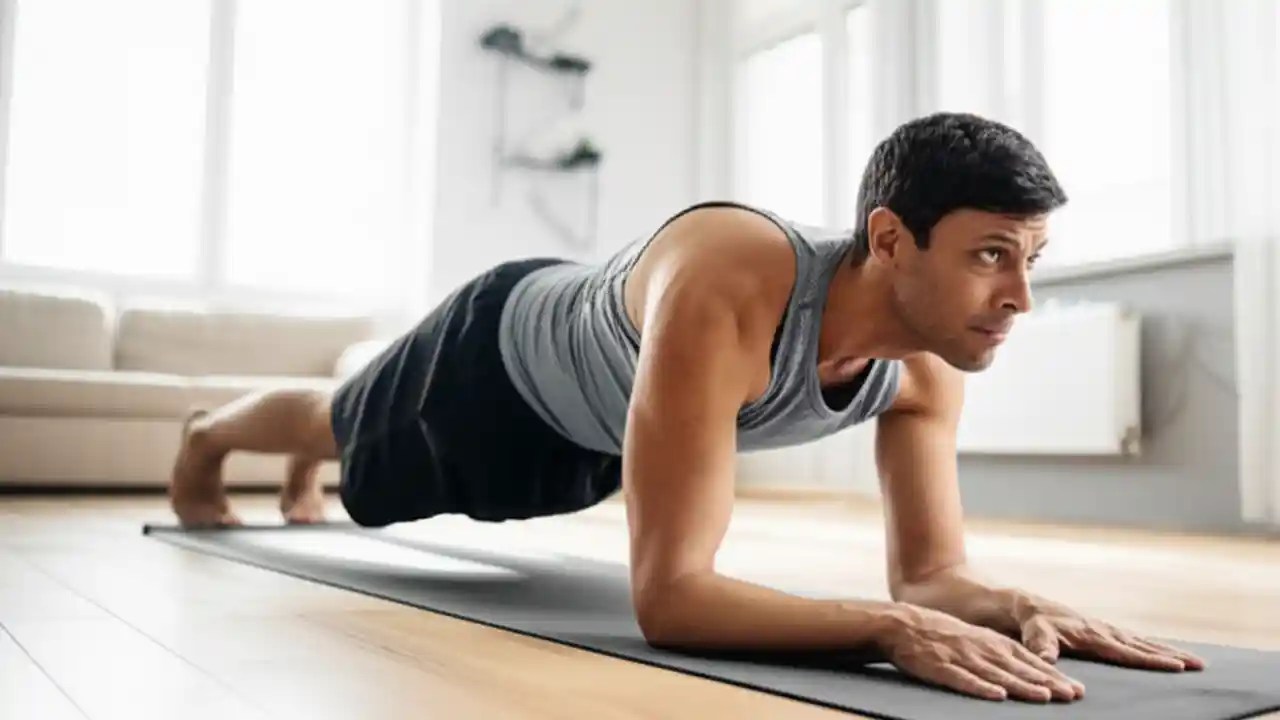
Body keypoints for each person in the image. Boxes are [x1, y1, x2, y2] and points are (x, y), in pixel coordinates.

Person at [168, 111, 1206, 703]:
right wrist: (882, 629)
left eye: (1030, 261)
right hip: (493, 366)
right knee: (342, 424)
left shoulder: (927, 366)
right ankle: (210, 434)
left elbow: (930, 573)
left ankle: (304, 451)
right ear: (889, 240)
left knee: (349, 439)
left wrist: (1013, 603)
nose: (1018, 298)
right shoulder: (733, 275)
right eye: (989, 255)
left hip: (595, 428)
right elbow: (672, 599)